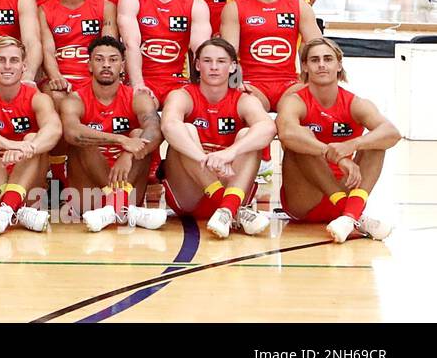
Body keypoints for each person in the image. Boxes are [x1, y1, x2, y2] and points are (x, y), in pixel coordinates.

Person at [276, 38, 398, 243]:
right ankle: (353, 215)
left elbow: (392, 132)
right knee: (302, 139)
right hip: (306, 198)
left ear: (339, 64)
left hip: (347, 187)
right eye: (314, 60)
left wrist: (352, 145)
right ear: (305, 66)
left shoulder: (355, 102)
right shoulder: (294, 100)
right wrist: (335, 154)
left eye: (328, 59)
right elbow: (287, 133)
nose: (321, 65)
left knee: (377, 142)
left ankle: (349, 217)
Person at [159, 38, 275, 239]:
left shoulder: (243, 99)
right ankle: (232, 208)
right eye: (207, 61)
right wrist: (204, 158)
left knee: (248, 134)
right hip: (190, 193)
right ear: (197, 65)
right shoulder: (182, 95)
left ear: (232, 67)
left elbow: (268, 127)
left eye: (221, 61)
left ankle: (225, 211)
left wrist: (228, 153)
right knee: (185, 129)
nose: (214, 67)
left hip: (230, 180)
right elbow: (169, 125)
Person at [60, 37, 167, 232]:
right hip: (88, 194)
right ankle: (122, 208)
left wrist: (128, 152)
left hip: (128, 181)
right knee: (85, 139)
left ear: (123, 65)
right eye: (99, 59)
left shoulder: (137, 97)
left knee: (140, 133)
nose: (106, 65)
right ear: (90, 65)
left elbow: (155, 129)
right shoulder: (75, 98)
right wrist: (121, 140)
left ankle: (115, 206)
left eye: (113, 59)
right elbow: (72, 132)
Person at [0, 38, 61, 234]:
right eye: (1, 60)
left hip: (26, 184)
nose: (7, 66)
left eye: (14, 60)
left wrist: (28, 148)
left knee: (34, 138)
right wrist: (9, 145)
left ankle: (8, 209)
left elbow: (54, 129)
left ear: (24, 66)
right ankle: (12, 207)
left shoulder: (37, 97)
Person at [221, 0, 322, 110]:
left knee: (295, 113)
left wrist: (311, 81)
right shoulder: (234, 8)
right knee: (253, 112)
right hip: (251, 84)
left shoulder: (300, 7)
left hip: (289, 83)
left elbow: (320, 50)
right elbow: (227, 56)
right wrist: (236, 83)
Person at [117, 0, 212, 107]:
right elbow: (130, 44)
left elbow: (202, 50)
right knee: (146, 109)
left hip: (177, 83)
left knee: (174, 112)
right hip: (143, 80)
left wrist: (209, 87)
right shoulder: (131, 0)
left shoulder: (196, 5)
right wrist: (138, 85)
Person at [38, 0, 116, 101]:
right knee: (57, 96)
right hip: (61, 78)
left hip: (94, 76)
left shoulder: (105, 7)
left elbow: (109, 49)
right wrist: (56, 77)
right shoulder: (44, 10)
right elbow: (47, 51)